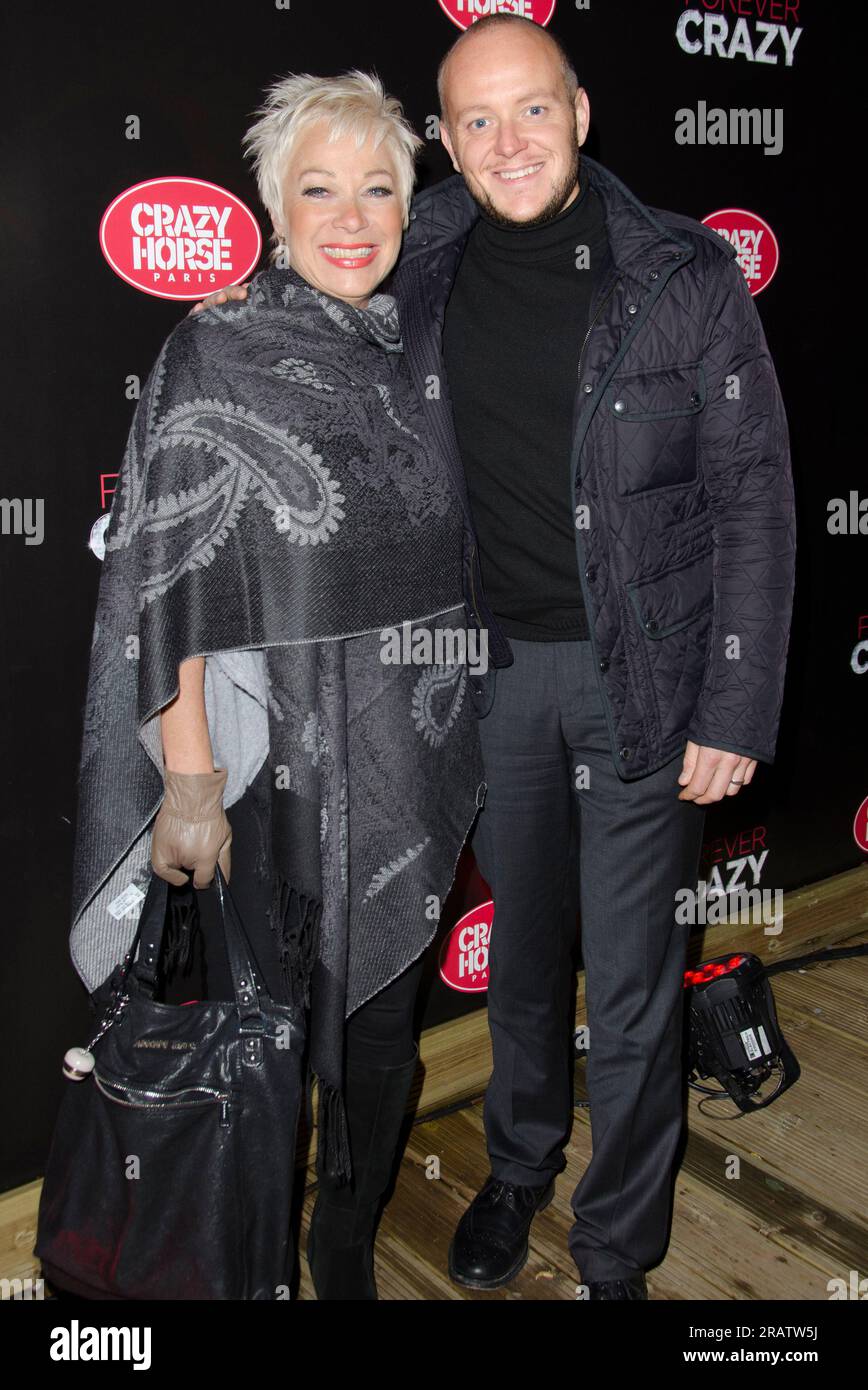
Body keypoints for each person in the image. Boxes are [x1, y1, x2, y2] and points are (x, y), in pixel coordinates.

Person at [199, 13, 797, 1303]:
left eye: (530, 109)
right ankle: (518, 1168)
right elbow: (318, 286)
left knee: (631, 983)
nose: (506, 140)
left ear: (579, 111)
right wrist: (226, 324)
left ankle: (614, 1249)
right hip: (481, 675)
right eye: (474, 120)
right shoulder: (425, 253)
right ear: (447, 144)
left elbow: (753, 492)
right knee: (519, 957)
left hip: (641, 676)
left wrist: (734, 703)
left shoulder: (683, 273)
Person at [70, 70, 488, 1302]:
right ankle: (232, 1252)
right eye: (320, 189)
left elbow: (516, 190)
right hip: (262, 778)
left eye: (377, 189)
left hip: (408, 756)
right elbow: (164, 586)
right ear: (272, 206)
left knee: (376, 1045)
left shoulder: (422, 340)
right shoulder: (214, 348)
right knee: (256, 1040)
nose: (350, 217)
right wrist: (188, 780)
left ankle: (343, 1245)